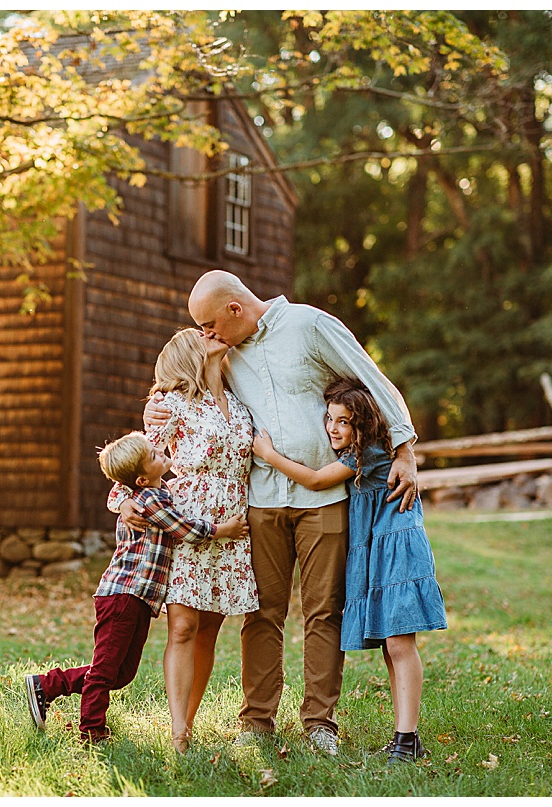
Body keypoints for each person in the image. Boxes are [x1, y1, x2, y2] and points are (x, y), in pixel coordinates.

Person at [129, 270, 419, 756]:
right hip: (260, 500)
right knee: (262, 614)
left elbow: (372, 380)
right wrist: (155, 406)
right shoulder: (225, 352)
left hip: (325, 497)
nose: (205, 334)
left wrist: (405, 450)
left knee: (324, 612)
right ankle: (257, 721)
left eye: (209, 324)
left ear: (235, 309)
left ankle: (319, 723)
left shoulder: (308, 325)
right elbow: (185, 383)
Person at [252, 377, 447, 763]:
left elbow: (315, 480)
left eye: (344, 421)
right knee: (391, 644)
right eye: (329, 418)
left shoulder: (367, 453)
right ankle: (405, 737)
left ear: (364, 424)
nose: (332, 428)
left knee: (398, 642)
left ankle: (407, 738)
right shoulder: (361, 450)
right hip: (376, 542)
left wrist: (269, 455)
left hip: (395, 541)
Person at [24, 431, 248, 744]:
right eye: (153, 455)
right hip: (123, 595)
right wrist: (224, 530)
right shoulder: (150, 501)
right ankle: (91, 732)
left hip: (140, 599)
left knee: (122, 673)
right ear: (141, 479)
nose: (160, 450)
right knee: (106, 670)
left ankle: (46, 685)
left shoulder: (159, 490)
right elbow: (184, 529)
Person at [109, 328, 259, 753]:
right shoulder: (171, 405)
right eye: (201, 334)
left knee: (209, 629)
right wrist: (122, 502)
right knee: (183, 626)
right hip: (186, 519)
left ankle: (188, 723)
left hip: (232, 522)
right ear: (187, 353)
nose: (211, 334)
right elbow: (136, 464)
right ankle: (177, 732)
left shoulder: (242, 404)